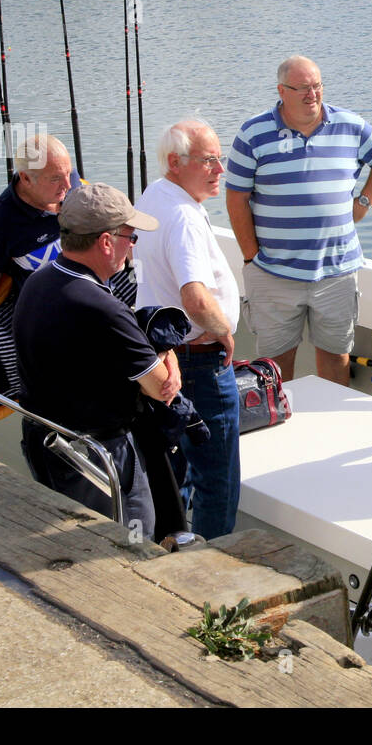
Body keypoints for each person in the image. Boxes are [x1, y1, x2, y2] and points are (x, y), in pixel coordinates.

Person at [13, 182, 179, 539]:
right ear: (106, 242)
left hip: (47, 445)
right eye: (130, 239)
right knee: (132, 547)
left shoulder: (37, 283)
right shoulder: (104, 308)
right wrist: (166, 349)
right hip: (100, 455)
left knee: (78, 544)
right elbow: (161, 388)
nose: (131, 250)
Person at [226, 55, 372, 386]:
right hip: (274, 272)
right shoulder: (253, 133)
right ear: (281, 90)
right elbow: (236, 198)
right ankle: (277, 426)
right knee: (274, 365)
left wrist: (364, 201)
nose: (312, 95)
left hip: (336, 272)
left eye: (317, 86)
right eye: (302, 88)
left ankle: (333, 428)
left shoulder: (349, 124)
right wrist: (251, 257)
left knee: (336, 358)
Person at [134, 119, 242, 540]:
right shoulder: (184, 218)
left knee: (173, 470)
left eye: (221, 158)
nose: (220, 169)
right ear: (176, 163)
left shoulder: (154, 197)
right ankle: (214, 567)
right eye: (209, 160)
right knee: (217, 475)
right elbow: (194, 297)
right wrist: (224, 330)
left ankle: (173, 547)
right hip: (199, 363)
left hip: (165, 358)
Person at [0, 134, 79, 412]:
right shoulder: (1, 221)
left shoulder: (70, 183)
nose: (68, 185)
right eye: (56, 179)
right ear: (25, 178)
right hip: (45, 331)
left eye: (69, 174)